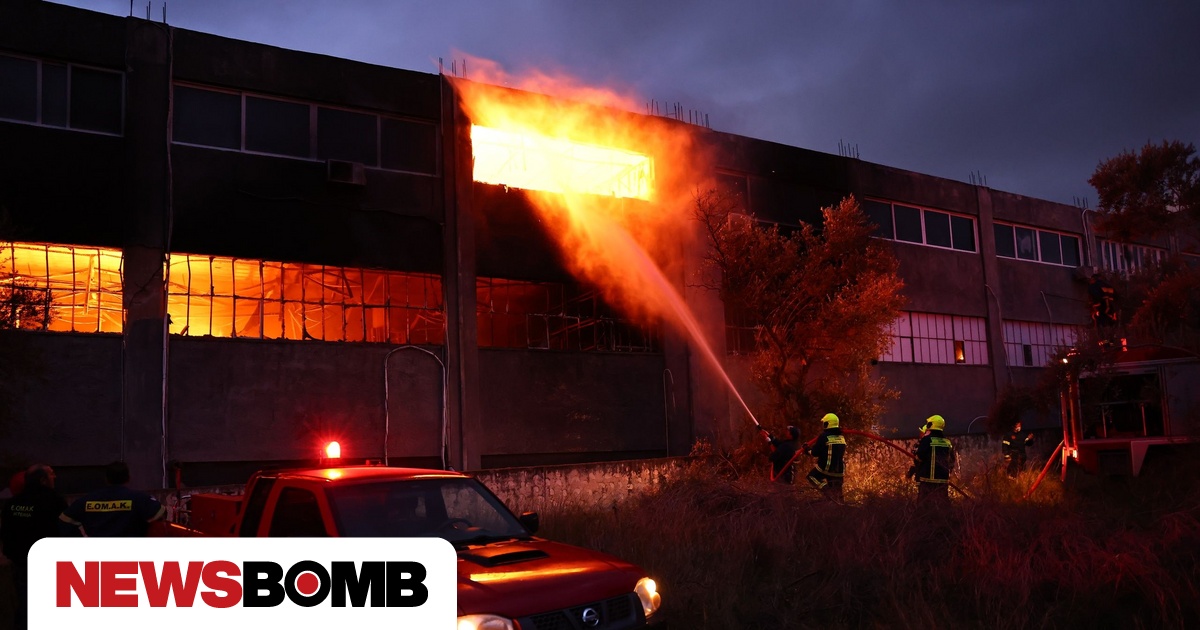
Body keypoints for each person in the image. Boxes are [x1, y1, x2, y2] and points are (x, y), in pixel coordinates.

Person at [1, 465, 67, 630]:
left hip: (20, 561)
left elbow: (6, 532)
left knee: (24, 601)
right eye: (51, 475)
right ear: (42, 480)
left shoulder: (12, 503)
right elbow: (64, 529)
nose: (55, 477)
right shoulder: (54, 500)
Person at [60, 461, 165, 537]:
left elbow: (64, 520)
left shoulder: (87, 500)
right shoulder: (139, 499)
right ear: (128, 478)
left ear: (106, 479)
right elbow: (161, 513)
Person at [906, 415, 956, 502]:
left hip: (927, 480)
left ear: (931, 425)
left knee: (925, 504)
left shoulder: (927, 440)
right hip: (942, 481)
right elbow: (952, 460)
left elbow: (920, 456)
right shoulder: (947, 442)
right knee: (942, 503)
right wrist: (946, 472)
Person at [806, 413, 847, 502]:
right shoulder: (841, 436)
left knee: (811, 477)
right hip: (839, 470)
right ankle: (842, 509)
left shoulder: (824, 436)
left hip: (826, 468)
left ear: (827, 424)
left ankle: (826, 490)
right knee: (838, 494)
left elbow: (815, 452)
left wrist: (807, 449)